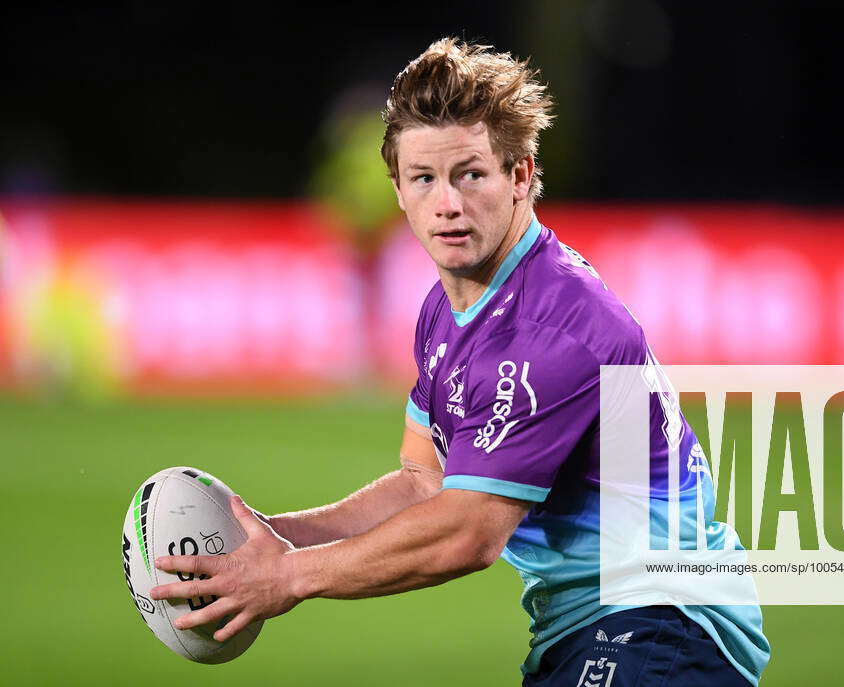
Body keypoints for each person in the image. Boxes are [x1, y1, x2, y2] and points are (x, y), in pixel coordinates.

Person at [151, 38, 770, 685]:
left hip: (665, 620)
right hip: (587, 624)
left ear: (521, 176)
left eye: (470, 174)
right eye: (424, 177)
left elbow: (469, 531)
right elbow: (425, 482)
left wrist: (289, 577)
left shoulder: (554, 324)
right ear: (397, 188)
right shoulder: (445, 309)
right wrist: (277, 539)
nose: (447, 202)